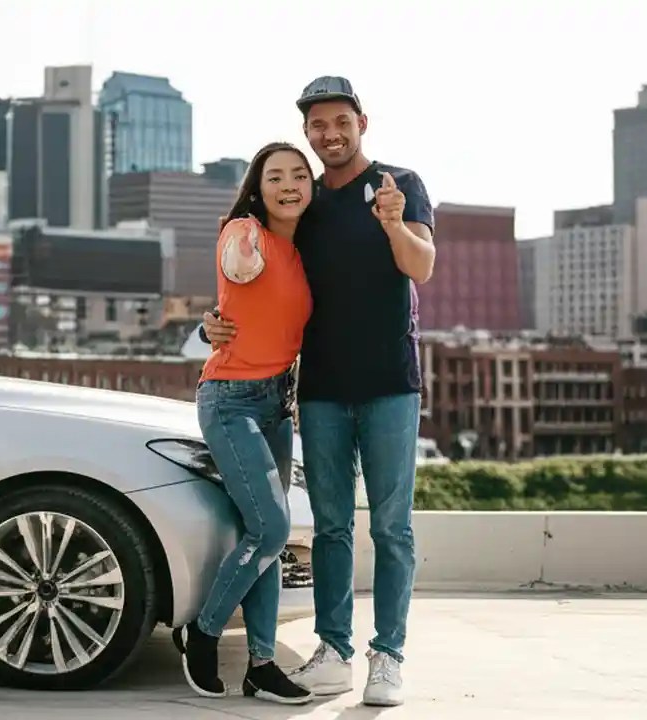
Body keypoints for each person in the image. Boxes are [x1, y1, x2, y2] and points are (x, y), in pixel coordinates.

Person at [199, 76, 436, 708]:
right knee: (330, 527)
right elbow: (260, 278)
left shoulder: (400, 185)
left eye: (341, 123)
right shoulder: (305, 204)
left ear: (362, 122)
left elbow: (421, 267)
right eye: (317, 127)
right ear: (307, 133)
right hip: (322, 390)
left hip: (391, 384)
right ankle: (334, 650)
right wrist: (210, 320)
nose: (329, 135)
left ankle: (388, 657)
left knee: (391, 528)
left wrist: (392, 224)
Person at [175, 142, 315, 705]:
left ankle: (261, 664)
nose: (288, 184)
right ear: (258, 188)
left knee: (264, 535)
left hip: (276, 405)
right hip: (230, 400)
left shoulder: (303, 250)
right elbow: (237, 261)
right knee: (271, 531)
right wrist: (242, 248)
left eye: (299, 175)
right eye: (275, 176)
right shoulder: (243, 230)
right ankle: (203, 632)